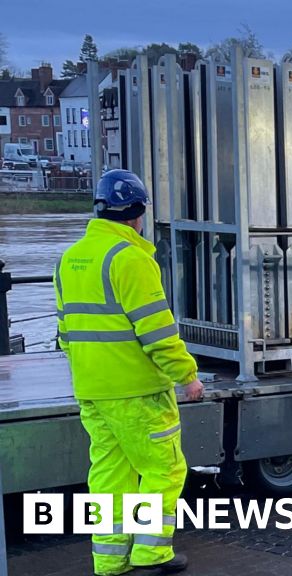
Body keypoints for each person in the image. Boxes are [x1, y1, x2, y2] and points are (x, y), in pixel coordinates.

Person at [54, 169, 203, 576]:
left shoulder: (70, 259)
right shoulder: (131, 260)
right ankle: (152, 555)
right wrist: (187, 375)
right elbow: (157, 332)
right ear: (137, 212)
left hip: (92, 391)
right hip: (138, 392)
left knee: (109, 476)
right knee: (163, 468)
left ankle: (109, 561)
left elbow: (65, 334)